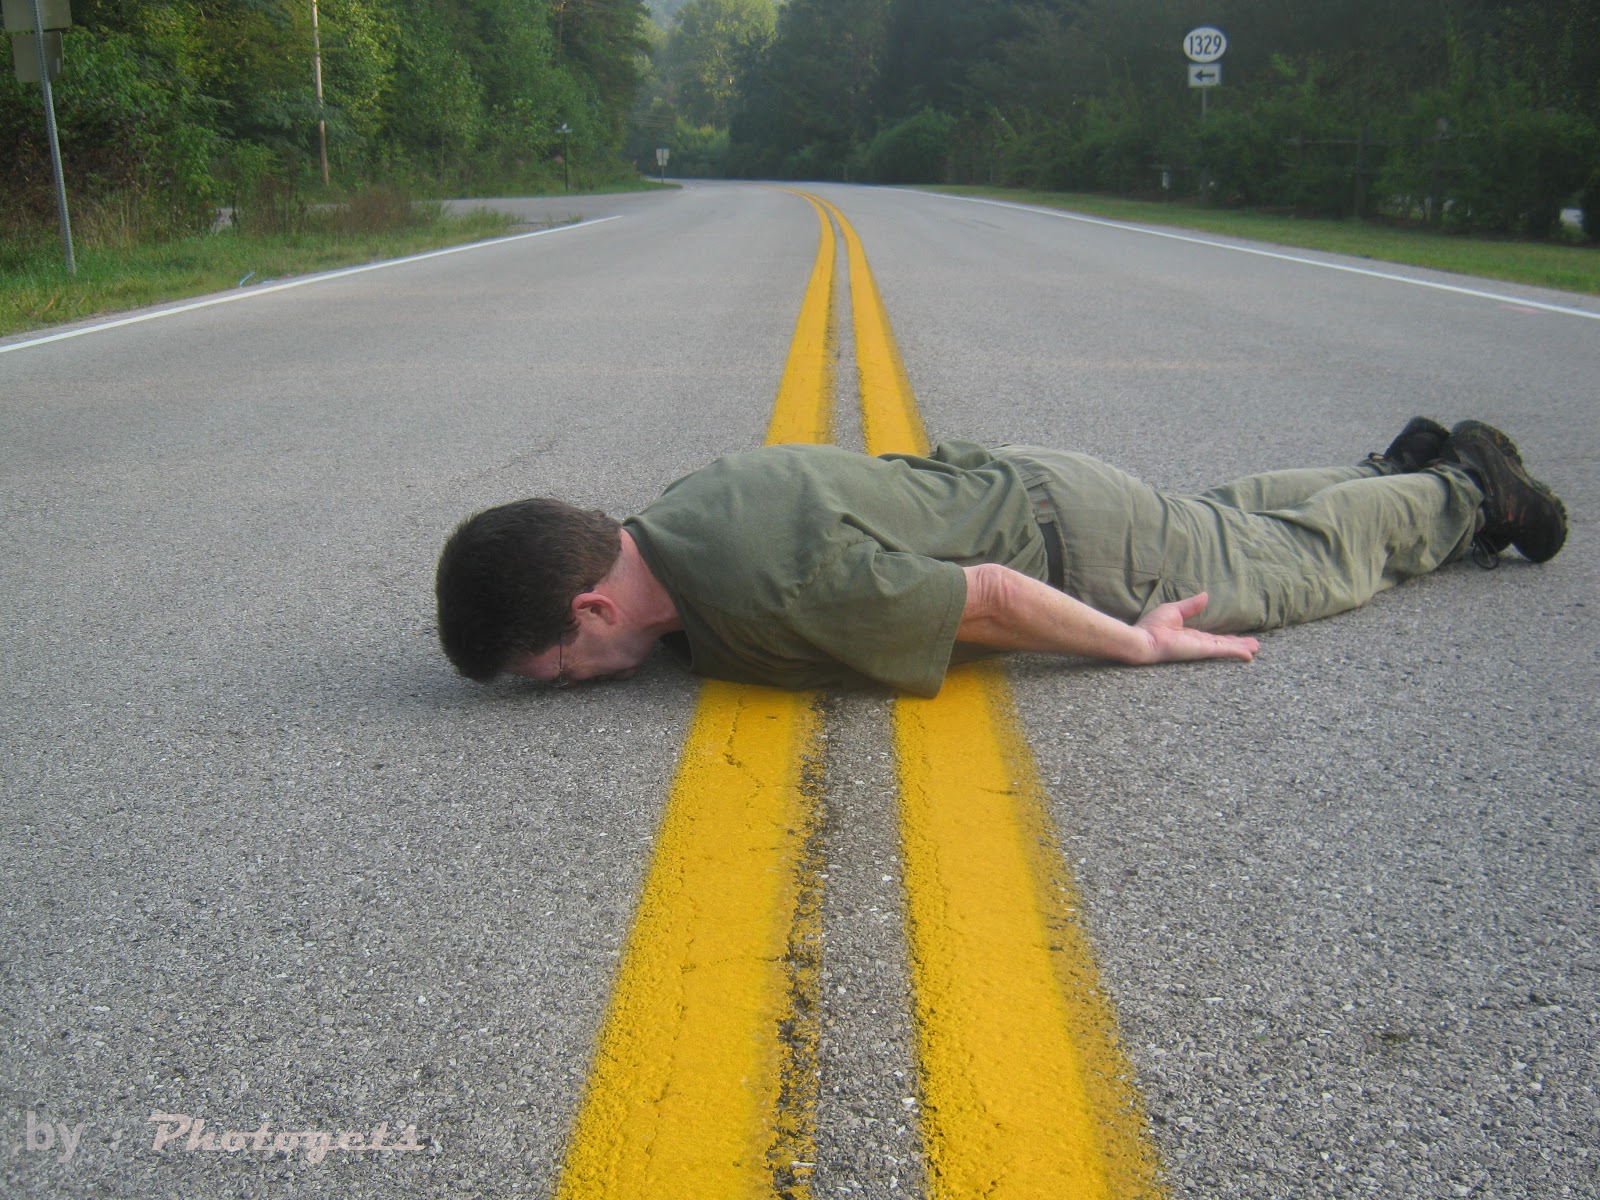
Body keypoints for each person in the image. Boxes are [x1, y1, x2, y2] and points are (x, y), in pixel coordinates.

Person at [434, 418, 1566, 697]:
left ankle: (1466, 493)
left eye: (555, 673)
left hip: (1078, 546)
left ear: (590, 605)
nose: (565, 691)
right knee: (1231, 519)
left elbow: (986, 596)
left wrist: (1133, 641)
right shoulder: (671, 521)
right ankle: (1399, 463)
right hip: (1027, 484)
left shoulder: (763, 591)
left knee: (1308, 567)